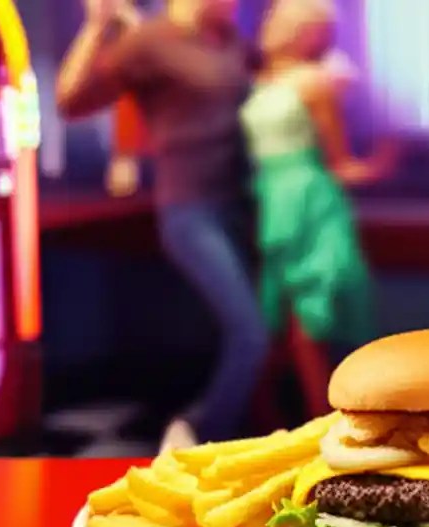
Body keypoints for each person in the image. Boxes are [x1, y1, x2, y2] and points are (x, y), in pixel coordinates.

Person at [56, 0, 268, 450]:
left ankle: (242, 452)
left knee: (255, 331)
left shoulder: (229, 40)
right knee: (250, 331)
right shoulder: (150, 43)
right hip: (190, 211)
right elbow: (71, 100)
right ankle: (193, 435)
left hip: (241, 207)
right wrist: (97, 28)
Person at [241, 0, 393, 414]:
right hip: (274, 201)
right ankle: (266, 418)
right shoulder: (263, 77)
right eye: (320, 29)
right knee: (279, 320)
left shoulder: (318, 82)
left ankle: (321, 422)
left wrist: (379, 166)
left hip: (313, 204)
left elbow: (340, 163)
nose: (325, 37)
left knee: (309, 318)